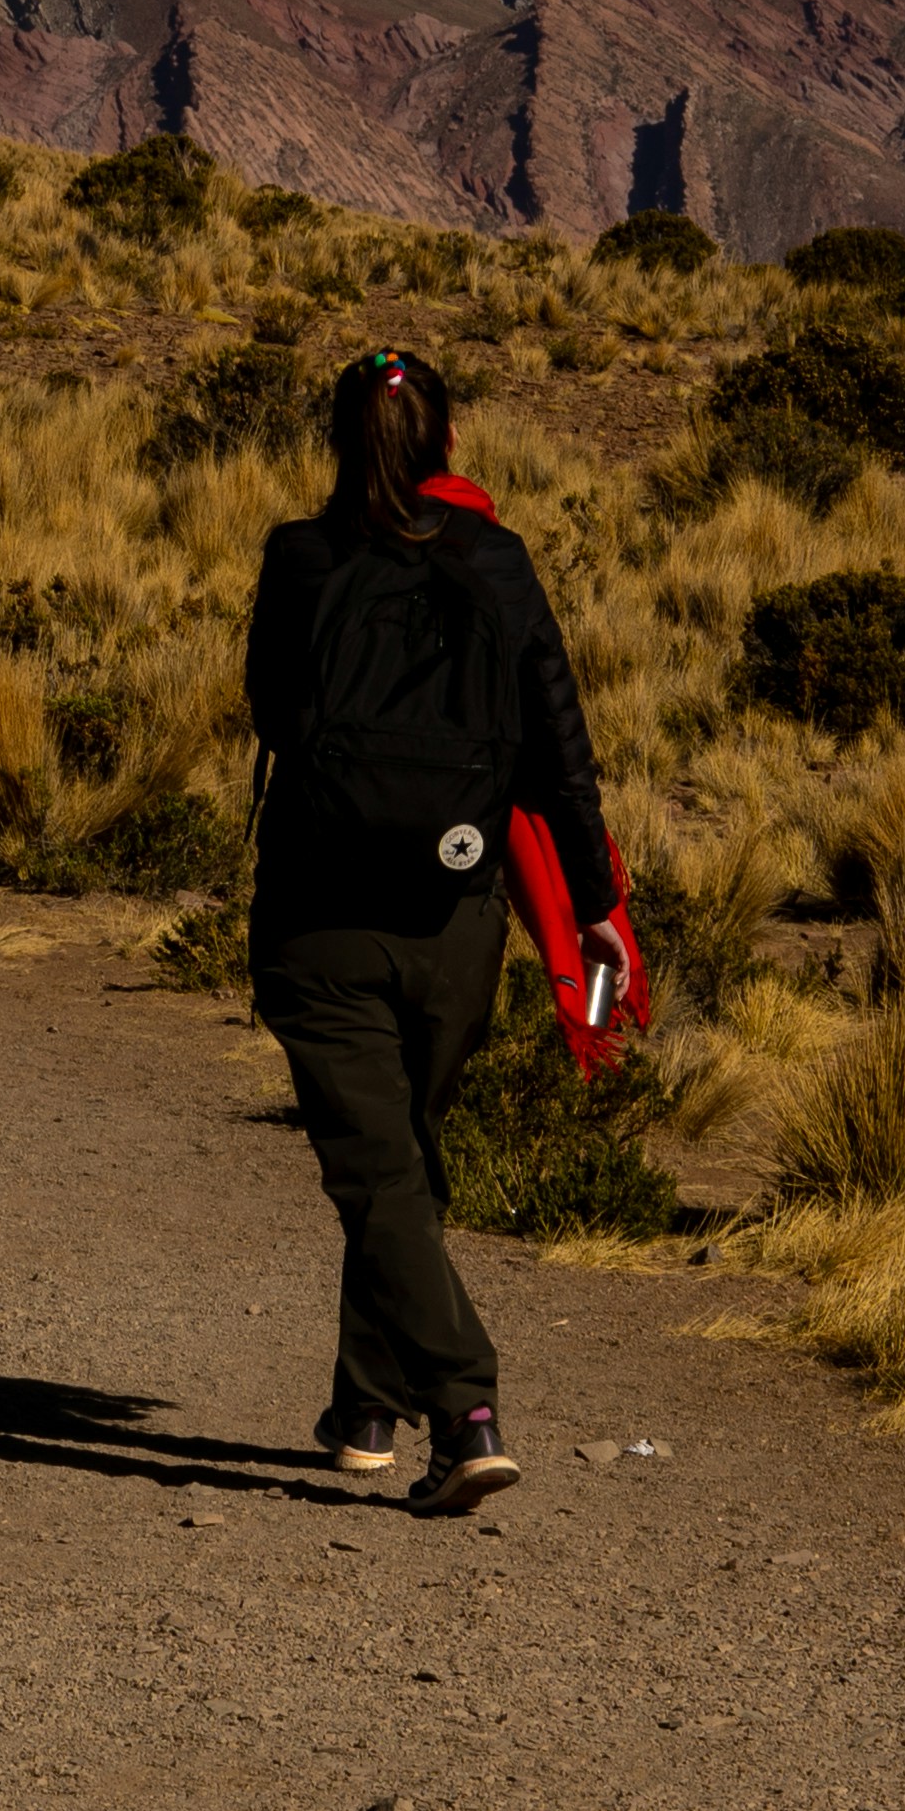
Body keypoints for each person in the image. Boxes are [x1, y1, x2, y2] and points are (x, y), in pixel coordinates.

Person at [241, 346, 627, 1515]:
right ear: (448, 446)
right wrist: (594, 906)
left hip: (318, 915)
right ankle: (368, 1403)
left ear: (336, 445)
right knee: (395, 1163)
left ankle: (459, 1407)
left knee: (379, 1173)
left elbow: (269, 708)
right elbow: (558, 749)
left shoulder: (299, 558)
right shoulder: (497, 563)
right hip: (455, 919)